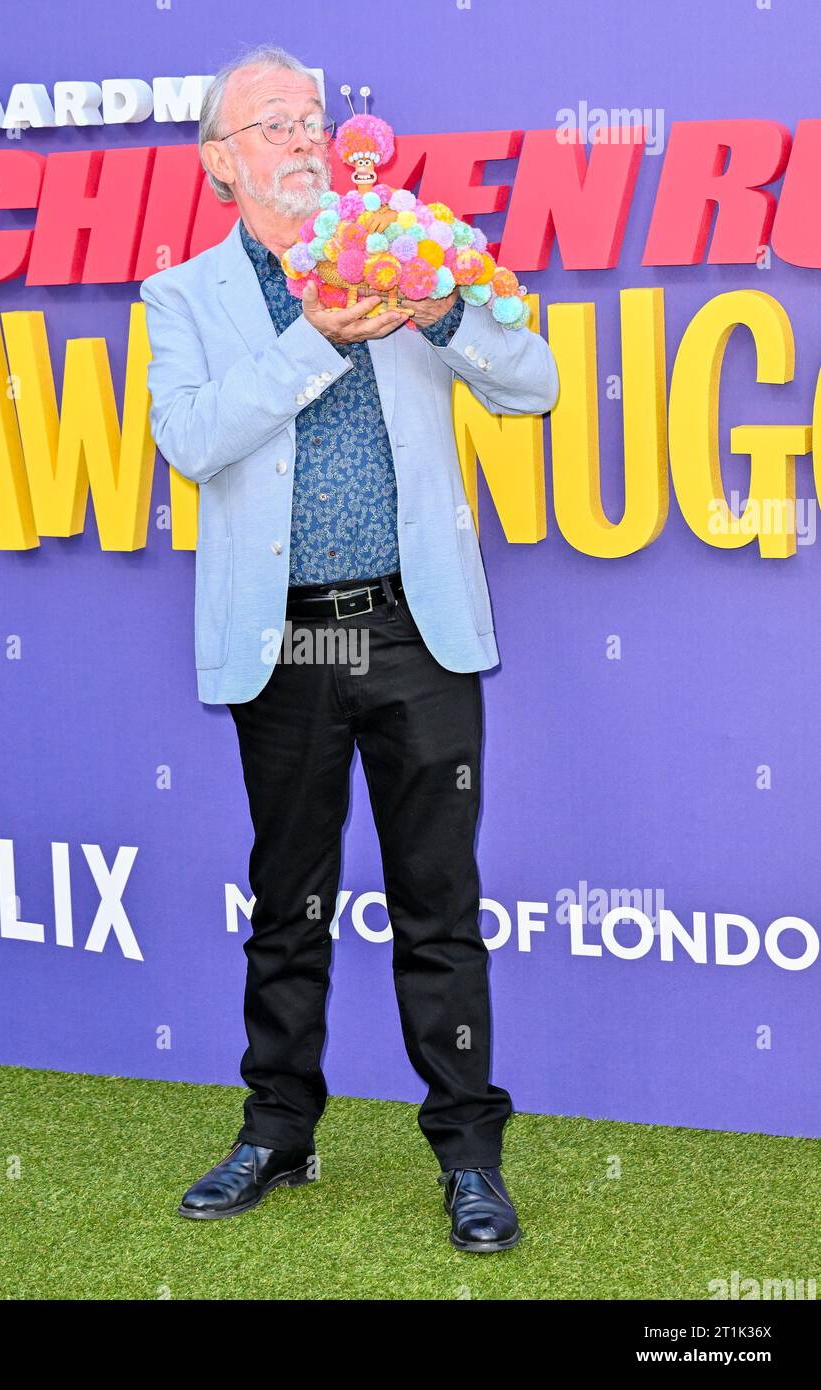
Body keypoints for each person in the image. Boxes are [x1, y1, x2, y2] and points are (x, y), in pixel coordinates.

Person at [140, 44, 560, 1254]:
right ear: (221, 161)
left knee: (442, 905)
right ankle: (279, 1129)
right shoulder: (186, 299)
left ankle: (470, 1155)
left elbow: (531, 380)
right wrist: (321, 336)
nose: (308, 138)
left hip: (414, 629)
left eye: (316, 118)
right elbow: (193, 439)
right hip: (285, 649)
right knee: (289, 903)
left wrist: (440, 307)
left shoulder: (410, 249)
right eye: (276, 123)